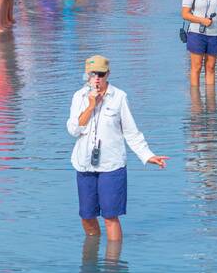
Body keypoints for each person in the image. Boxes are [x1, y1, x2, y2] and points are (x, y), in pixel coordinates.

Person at [66, 54, 167, 245]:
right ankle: (92, 254)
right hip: (84, 164)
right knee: (86, 216)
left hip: (112, 165)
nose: (96, 78)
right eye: (92, 74)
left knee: (110, 217)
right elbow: (73, 130)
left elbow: (131, 132)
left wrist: (148, 155)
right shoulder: (78, 97)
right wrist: (90, 106)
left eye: (101, 74)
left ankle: (113, 265)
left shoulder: (119, 97)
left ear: (108, 74)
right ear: (86, 75)